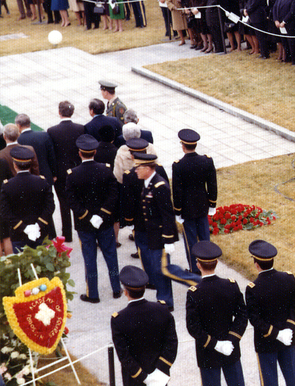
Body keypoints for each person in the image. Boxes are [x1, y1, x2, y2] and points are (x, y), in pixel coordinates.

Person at [132, 152, 201, 310]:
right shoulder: (148, 183)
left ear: (148, 168)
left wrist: (169, 239)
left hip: (161, 236)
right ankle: (165, 301)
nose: (136, 170)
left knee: (162, 268)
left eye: (138, 167)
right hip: (153, 235)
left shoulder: (159, 186)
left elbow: (167, 214)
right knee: (158, 270)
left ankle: (200, 283)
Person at [66, 134, 121, 303]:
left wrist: (87, 216)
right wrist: (102, 215)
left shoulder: (72, 174)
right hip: (104, 222)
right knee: (111, 255)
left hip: (85, 224)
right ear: (95, 152)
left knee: (89, 258)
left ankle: (93, 293)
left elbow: (71, 200)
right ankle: (116, 288)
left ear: (80, 153)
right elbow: (113, 195)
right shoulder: (106, 169)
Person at [186, 242, 247, 386]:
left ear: (198, 265)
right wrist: (231, 340)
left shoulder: (195, 293)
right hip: (230, 348)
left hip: (207, 351)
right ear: (217, 263)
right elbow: (242, 316)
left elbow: (193, 327)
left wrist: (214, 344)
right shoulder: (231, 285)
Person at [246, 240, 295, 386]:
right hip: (288, 340)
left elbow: (255, 319)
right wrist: (289, 331)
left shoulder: (253, 288)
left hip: (266, 343)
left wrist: (276, 334)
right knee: (292, 381)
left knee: (269, 383)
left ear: (256, 264)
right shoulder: (288, 279)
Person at [111, 266, 178, 386]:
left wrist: (143, 377)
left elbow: (124, 355)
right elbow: (172, 343)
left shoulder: (119, 320)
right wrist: (159, 370)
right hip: (160, 377)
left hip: (135, 379)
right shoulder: (162, 310)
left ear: (125, 292)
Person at [172, 129, 218, 274]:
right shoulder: (207, 161)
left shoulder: (178, 165)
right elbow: (212, 184)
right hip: (203, 204)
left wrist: (177, 211)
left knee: (190, 240)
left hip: (187, 208)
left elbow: (177, 191)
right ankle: (209, 265)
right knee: (205, 237)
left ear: (183, 146)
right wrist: (212, 203)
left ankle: (194, 269)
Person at [0, 146, 55, 252]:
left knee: (23, 267)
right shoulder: (42, 182)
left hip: (18, 234)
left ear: (15, 165)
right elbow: (50, 206)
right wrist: (38, 225)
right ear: (30, 165)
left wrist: (23, 228)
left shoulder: (7, 185)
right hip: (41, 232)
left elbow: (5, 212)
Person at [47, 100, 86, 242]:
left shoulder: (52, 131)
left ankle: (67, 234)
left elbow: (52, 154)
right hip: (77, 170)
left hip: (61, 172)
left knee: (63, 203)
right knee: (78, 200)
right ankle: (81, 229)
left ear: (59, 112)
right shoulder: (80, 128)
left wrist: (54, 173)